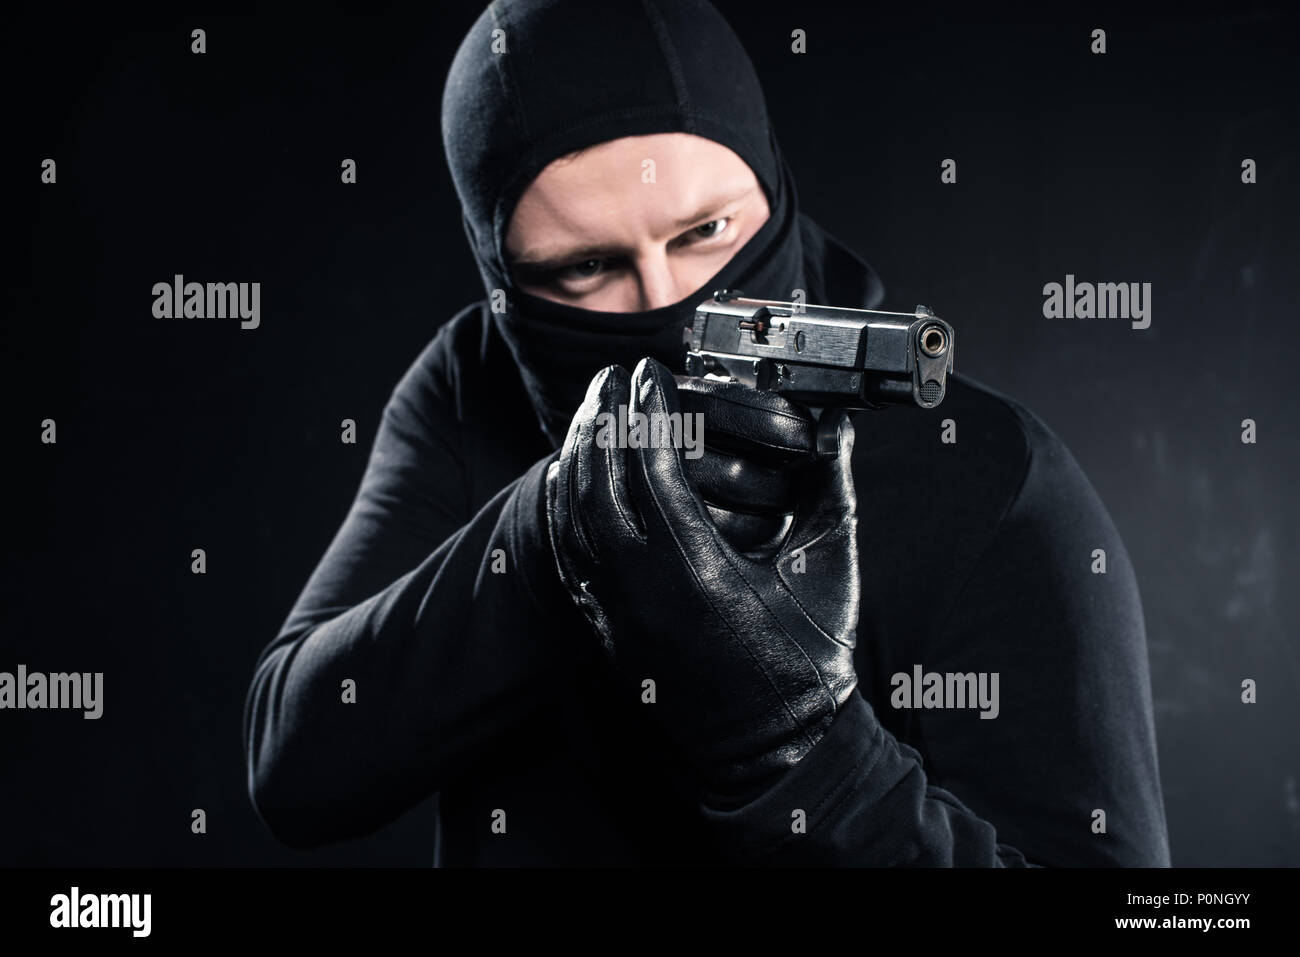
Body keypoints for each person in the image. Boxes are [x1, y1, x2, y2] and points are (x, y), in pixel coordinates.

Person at [242, 0, 1170, 866]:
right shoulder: (470, 386)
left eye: (705, 233)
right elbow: (293, 763)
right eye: (586, 268)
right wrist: (549, 539)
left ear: (772, 190)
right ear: (508, 291)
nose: (668, 302)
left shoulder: (994, 480)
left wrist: (798, 750)